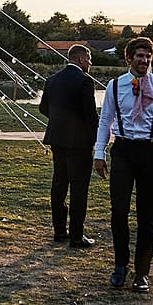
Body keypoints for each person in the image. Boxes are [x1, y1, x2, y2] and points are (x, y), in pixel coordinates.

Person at [94, 37, 153, 293]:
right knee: (118, 212)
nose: (144, 61)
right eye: (139, 56)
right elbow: (105, 121)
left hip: (150, 152)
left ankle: (142, 272)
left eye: (148, 57)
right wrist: (99, 152)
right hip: (122, 150)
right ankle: (120, 265)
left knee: (147, 216)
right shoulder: (114, 86)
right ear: (129, 58)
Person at [40, 44, 100, 248]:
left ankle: (59, 231)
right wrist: (95, 139)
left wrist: (59, 121)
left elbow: (43, 108)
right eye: (89, 59)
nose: (91, 63)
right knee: (79, 187)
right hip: (79, 143)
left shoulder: (52, 79)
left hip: (57, 139)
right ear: (81, 59)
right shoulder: (84, 81)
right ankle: (76, 235)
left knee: (59, 184)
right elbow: (90, 115)